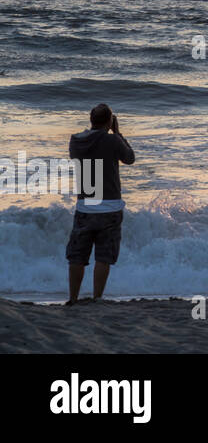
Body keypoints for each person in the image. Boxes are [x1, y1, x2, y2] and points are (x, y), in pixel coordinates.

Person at [65, 104, 135, 304]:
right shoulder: (113, 140)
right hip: (110, 207)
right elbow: (130, 158)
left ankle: (73, 298)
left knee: (77, 256)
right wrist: (118, 132)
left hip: (86, 205)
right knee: (104, 256)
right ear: (109, 121)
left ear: (91, 120)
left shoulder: (76, 141)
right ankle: (97, 298)